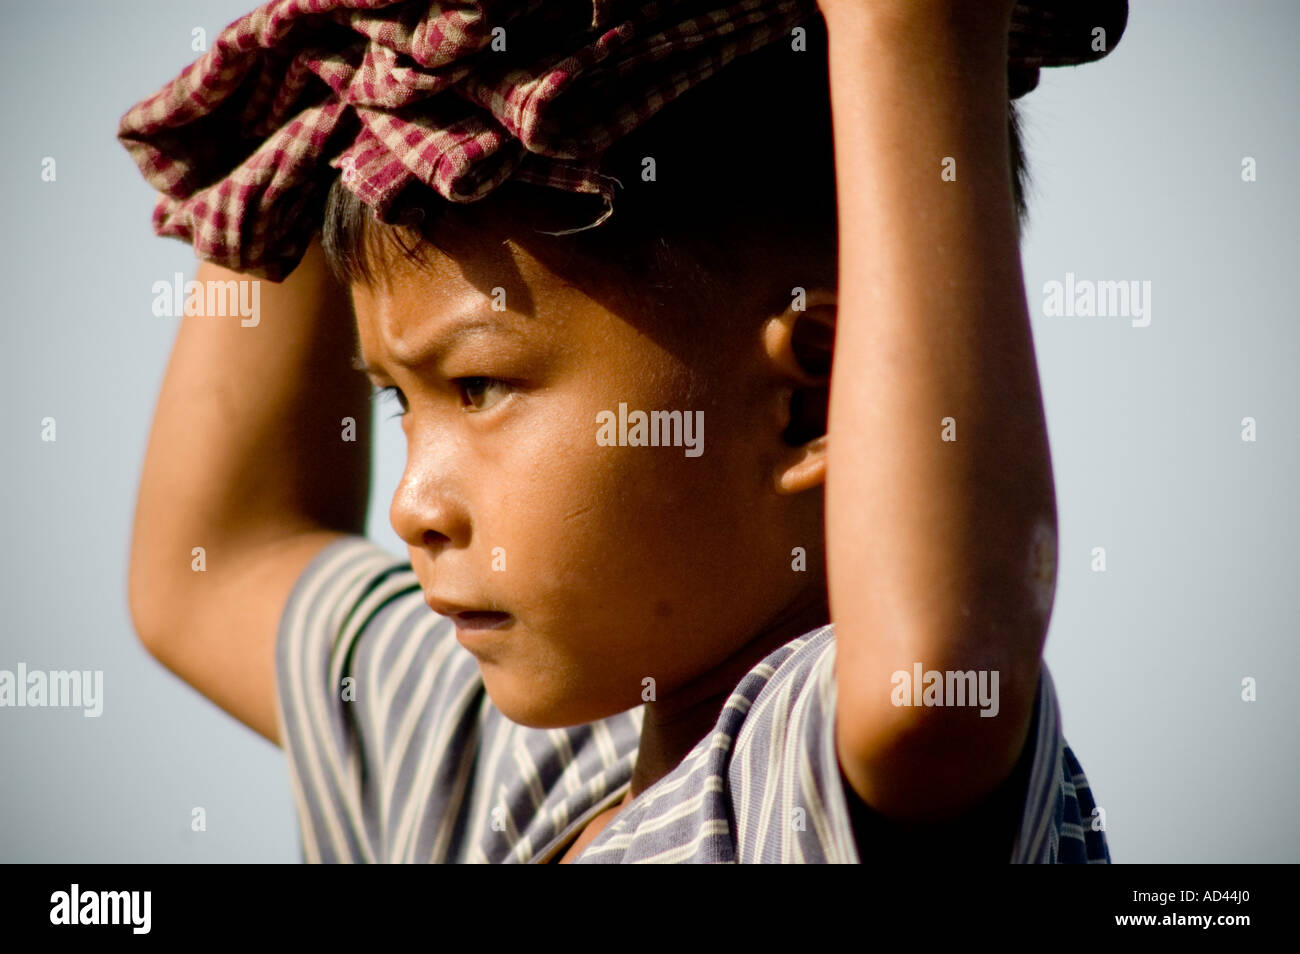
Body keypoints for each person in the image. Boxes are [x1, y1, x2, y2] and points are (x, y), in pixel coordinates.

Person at [123, 0, 1123, 863]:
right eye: (398, 399)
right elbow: (212, 561)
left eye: (476, 387)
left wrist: (908, 28)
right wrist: (341, 69)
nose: (412, 505)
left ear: (811, 400)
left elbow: (931, 678)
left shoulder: (788, 787)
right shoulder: (482, 774)